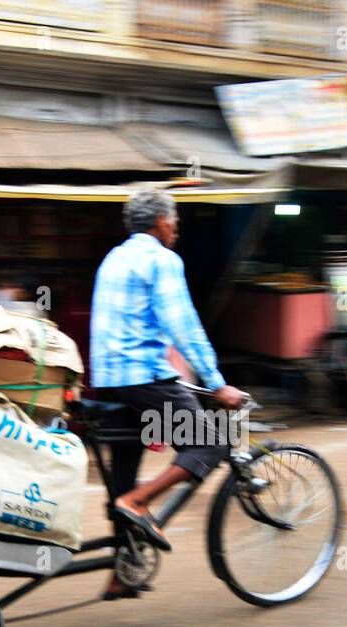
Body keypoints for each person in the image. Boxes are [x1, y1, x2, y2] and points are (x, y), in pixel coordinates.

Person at [89, 189, 244, 596]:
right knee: (213, 441)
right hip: (144, 377)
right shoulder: (162, 260)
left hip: (110, 381)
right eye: (173, 221)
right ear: (160, 221)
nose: (176, 228)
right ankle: (139, 503)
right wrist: (216, 383)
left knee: (124, 468)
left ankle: (123, 570)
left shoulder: (114, 257)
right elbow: (183, 324)